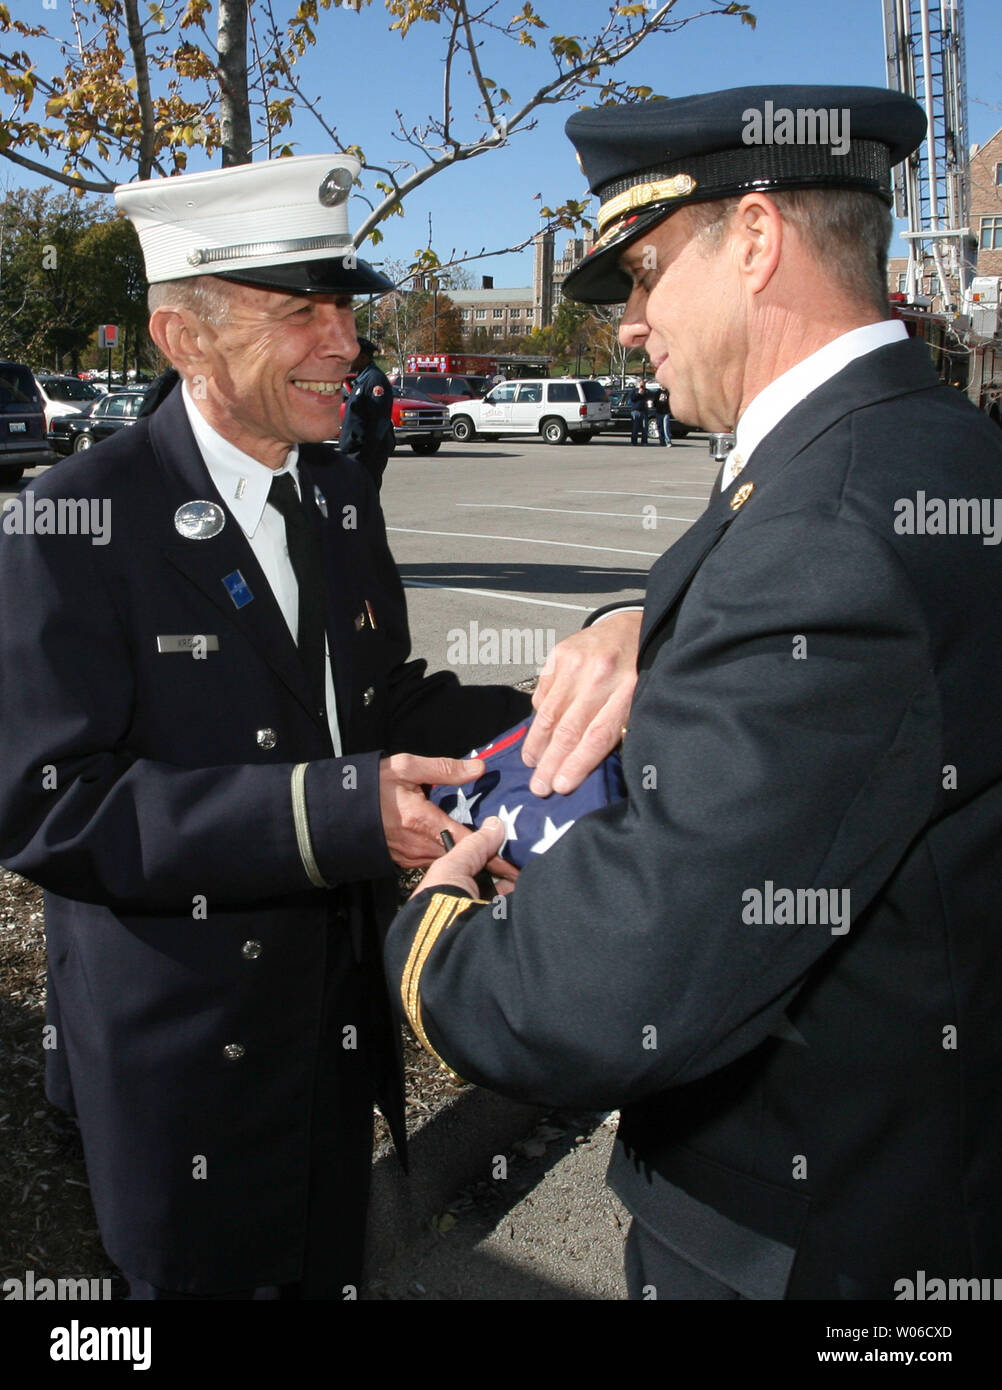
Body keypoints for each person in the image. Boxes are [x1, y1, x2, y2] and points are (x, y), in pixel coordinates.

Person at [385, 85, 1002, 1300]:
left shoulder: (827, 531)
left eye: (647, 273)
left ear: (758, 239)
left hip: (800, 1235)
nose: (629, 326)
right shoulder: (929, 448)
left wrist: (434, 934)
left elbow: (608, 992)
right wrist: (637, 622)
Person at [0, 152, 641, 1299]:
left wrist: (563, 706)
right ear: (182, 339)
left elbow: (377, 700)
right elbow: (50, 804)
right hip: (185, 1064)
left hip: (334, 1032)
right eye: (302, 312)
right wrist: (333, 812)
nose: (346, 344)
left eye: (345, 309)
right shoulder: (73, 518)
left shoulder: (337, 494)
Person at [339, 336, 395, 490]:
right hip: (356, 455)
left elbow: (379, 421)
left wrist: (364, 455)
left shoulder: (375, 380)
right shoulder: (363, 380)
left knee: (361, 499)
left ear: (362, 357)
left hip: (365, 457)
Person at [628, 379, 650, 444]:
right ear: (638, 384)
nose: (642, 386)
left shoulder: (646, 391)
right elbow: (632, 398)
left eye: (644, 384)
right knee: (635, 428)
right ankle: (634, 442)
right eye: (641, 384)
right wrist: (638, 393)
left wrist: (644, 392)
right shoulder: (633, 391)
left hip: (644, 411)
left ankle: (644, 442)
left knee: (645, 428)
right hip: (635, 412)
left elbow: (650, 397)